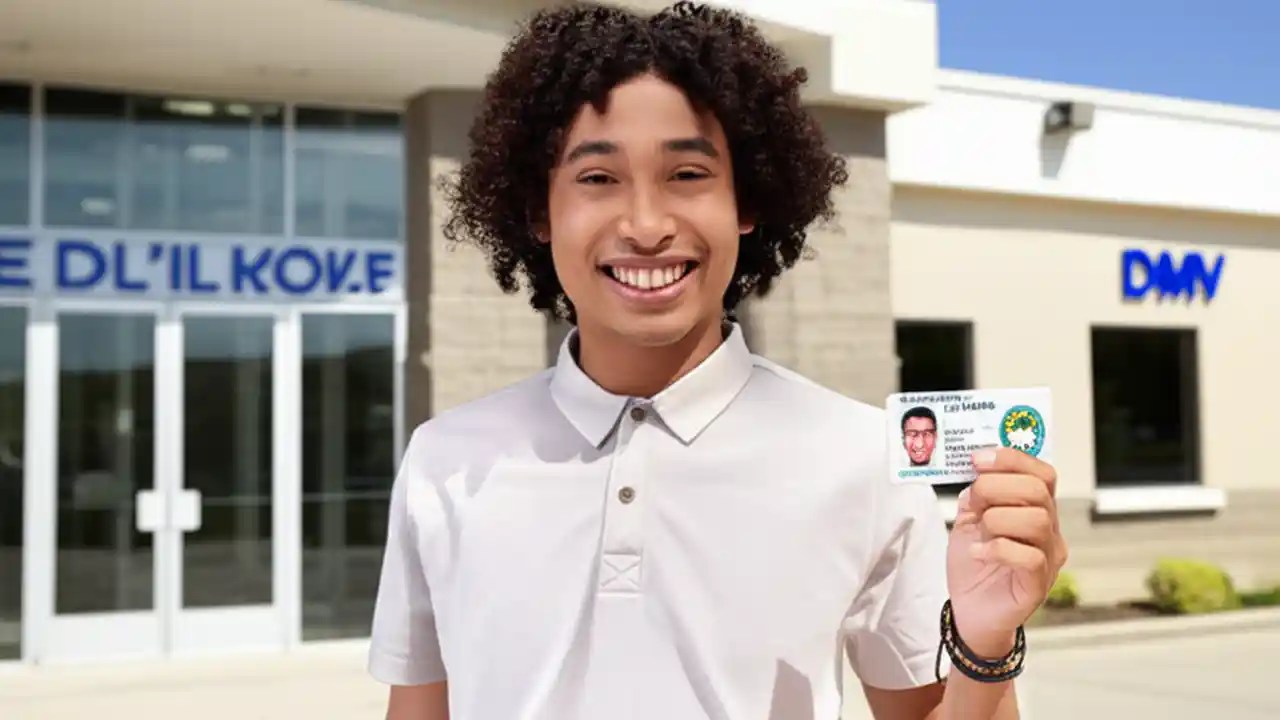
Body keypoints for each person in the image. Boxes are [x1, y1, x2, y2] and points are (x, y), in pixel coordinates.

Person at [368, 3, 1068, 719]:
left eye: (688, 173)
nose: (645, 225)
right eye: (598, 178)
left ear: (747, 200)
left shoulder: (860, 459)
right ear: (538, 211)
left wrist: (983, 645)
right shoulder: (444, 461)